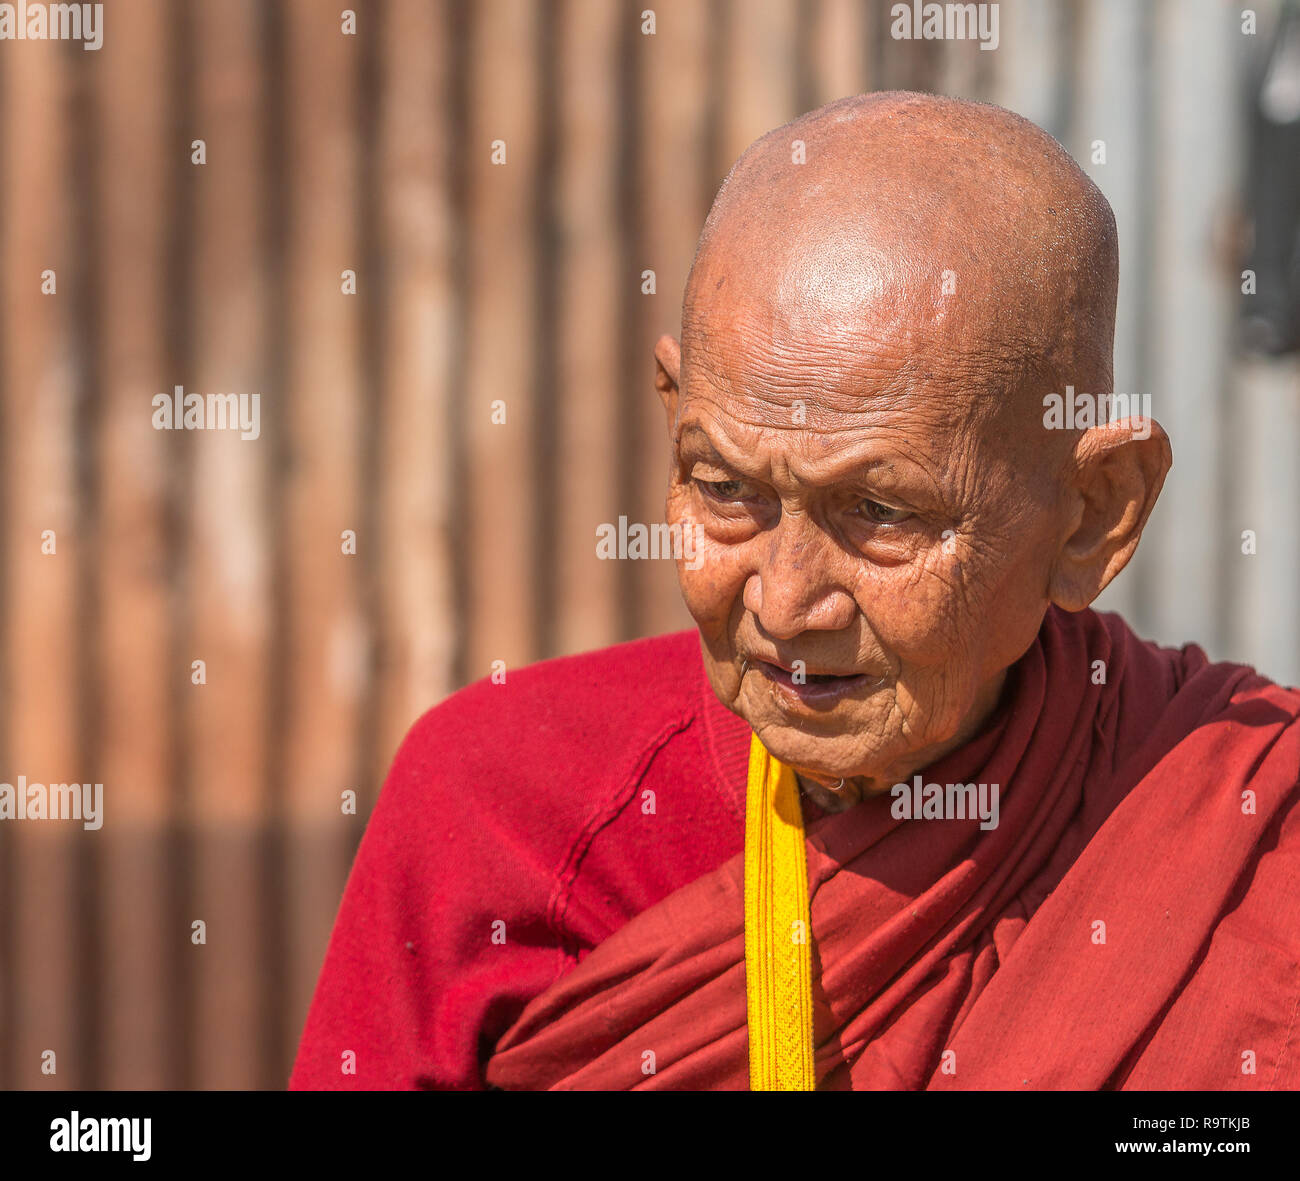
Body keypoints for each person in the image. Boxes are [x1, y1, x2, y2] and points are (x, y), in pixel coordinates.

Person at [289, 91, 1300, 1091]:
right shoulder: (501, 801)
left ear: (1092, 513)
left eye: (882, 513)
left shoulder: (1247, 826)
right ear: (675, 412)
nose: (782, 604)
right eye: (727, 490)